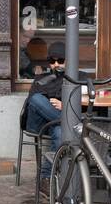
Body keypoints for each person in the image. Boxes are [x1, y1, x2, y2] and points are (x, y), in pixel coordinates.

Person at [23, 43, 98, 187]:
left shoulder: (81, 77)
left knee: (60, 131)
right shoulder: (41, 78)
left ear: (68, 60)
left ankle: (45, 179)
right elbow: (32, 104)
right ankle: (69, 121)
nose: (56, 64)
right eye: (52, 61)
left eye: (60, 60)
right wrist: (54, 107)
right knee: (36, 99)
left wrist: (65, 107)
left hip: (57, 124)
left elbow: (90, 101)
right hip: (39, 123)